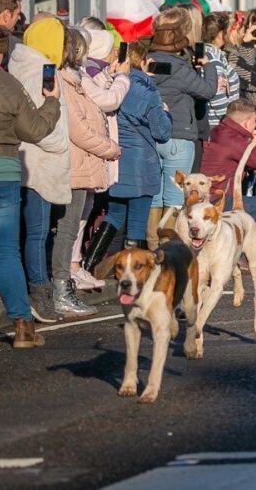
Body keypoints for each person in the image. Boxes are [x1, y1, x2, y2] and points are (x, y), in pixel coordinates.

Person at [0, 0, 63, 348]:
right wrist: (51, 102)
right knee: (5, 250)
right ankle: (23, 326)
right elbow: (33, 129)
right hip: (4, 169)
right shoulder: (10, 85)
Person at [11, 17, 71, 323]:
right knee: (36, 233)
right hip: (39, 162)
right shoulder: (42, 72)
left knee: (19, 233)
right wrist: (61, 143)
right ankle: (39, 294)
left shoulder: (16, 65)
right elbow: (45, 124)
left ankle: (25, 291)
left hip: (19, 160)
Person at [55, 28, 118, 319]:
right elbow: (78, 129)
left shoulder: (75, 80)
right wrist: (108, 148)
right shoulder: (65, 82)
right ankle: (61, 290)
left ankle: (67, 281)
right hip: (77, 163)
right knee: (67, 229)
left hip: (85, 163)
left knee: (74, 225)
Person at [107, 39, 173, 273]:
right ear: (144, 62)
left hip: (114, 160)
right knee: (136, 223)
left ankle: (95, 263)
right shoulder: (147, 91)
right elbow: (162, 133)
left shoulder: (110, 83)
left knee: (113, 215)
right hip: (140, 165)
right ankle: (131, 272)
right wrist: (166, 114)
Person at [199, 98, 256, 230]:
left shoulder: (220, 131)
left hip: (207, 195)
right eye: (255, 120)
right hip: (216, 199)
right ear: (246, 123)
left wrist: (252, 139)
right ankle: (242, 245)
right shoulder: (234, 141)